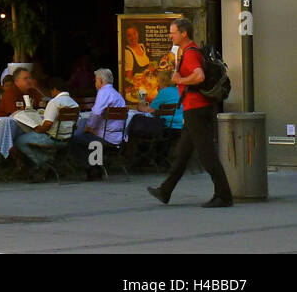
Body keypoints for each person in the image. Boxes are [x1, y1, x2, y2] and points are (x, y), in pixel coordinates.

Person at [148, 18, 233, 208]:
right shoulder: (188, 51)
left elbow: (199, 76)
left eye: (173, 32)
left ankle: (224, 195)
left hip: (196, 108)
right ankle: (165, 190)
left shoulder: (191, 53)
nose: (170, 35)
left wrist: (180, 79)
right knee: (183, 153)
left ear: (183, 33)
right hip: (192, 108)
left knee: (206, 154)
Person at [13, 79, 79, 180]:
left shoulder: (54, 102)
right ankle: (52, 161)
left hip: (52, 138)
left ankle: (44, 161)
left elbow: (48, 123)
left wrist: (38, 130)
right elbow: (75, 125)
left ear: (55, 90)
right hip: (67, 139)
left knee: (19, 140)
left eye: (51, 91)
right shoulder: (74, 104)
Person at [70, 68, 127, 178]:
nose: (95, 83)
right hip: (117, 136)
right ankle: (94, 165)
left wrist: (89, 127)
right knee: (85, 134)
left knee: (75, 139)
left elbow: (96, 113)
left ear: (100, 81)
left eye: (96, 81)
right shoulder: (116, 94)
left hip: (106, 137)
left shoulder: (103, 92)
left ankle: (91, 167)